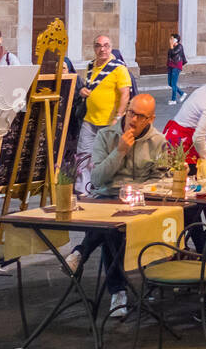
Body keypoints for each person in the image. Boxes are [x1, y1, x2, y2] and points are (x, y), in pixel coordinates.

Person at [68, 94, 169, 318]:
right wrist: (120, 150)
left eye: (140, 116)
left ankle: (80, 253)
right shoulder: (106, 136)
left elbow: (161, 179)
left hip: (139, 201)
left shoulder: (158, 141)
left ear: (150, 118)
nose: (132, 119)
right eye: (131, 112)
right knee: (112, 229)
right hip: (106, 196)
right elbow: (96, 179)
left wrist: (136, 189)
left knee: (113, 227)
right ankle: (118, 292)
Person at [73, 36, 132, 193]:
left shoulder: (118, 68)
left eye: (106, 46)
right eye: (98, 46)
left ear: (111, 47)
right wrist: (82, 91)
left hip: (109, 122)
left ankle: (107, 191)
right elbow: (90, 86)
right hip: (89, 120)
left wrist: (118, 117)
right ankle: (82, 192)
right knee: (83, 157)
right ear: (94, 48)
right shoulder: (91, 66)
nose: (102, 49)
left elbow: (125, 94)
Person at [166, 33, 187, 105]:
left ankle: (173, 100)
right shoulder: (171, 47)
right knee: (170, 83)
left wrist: (171, 46)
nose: (170, 40)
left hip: (176, 66)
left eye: (171, 38)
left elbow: (174, 53)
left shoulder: (179, 46)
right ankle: (182, 93)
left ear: (175, 40)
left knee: (173, 83)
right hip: (171, 66)